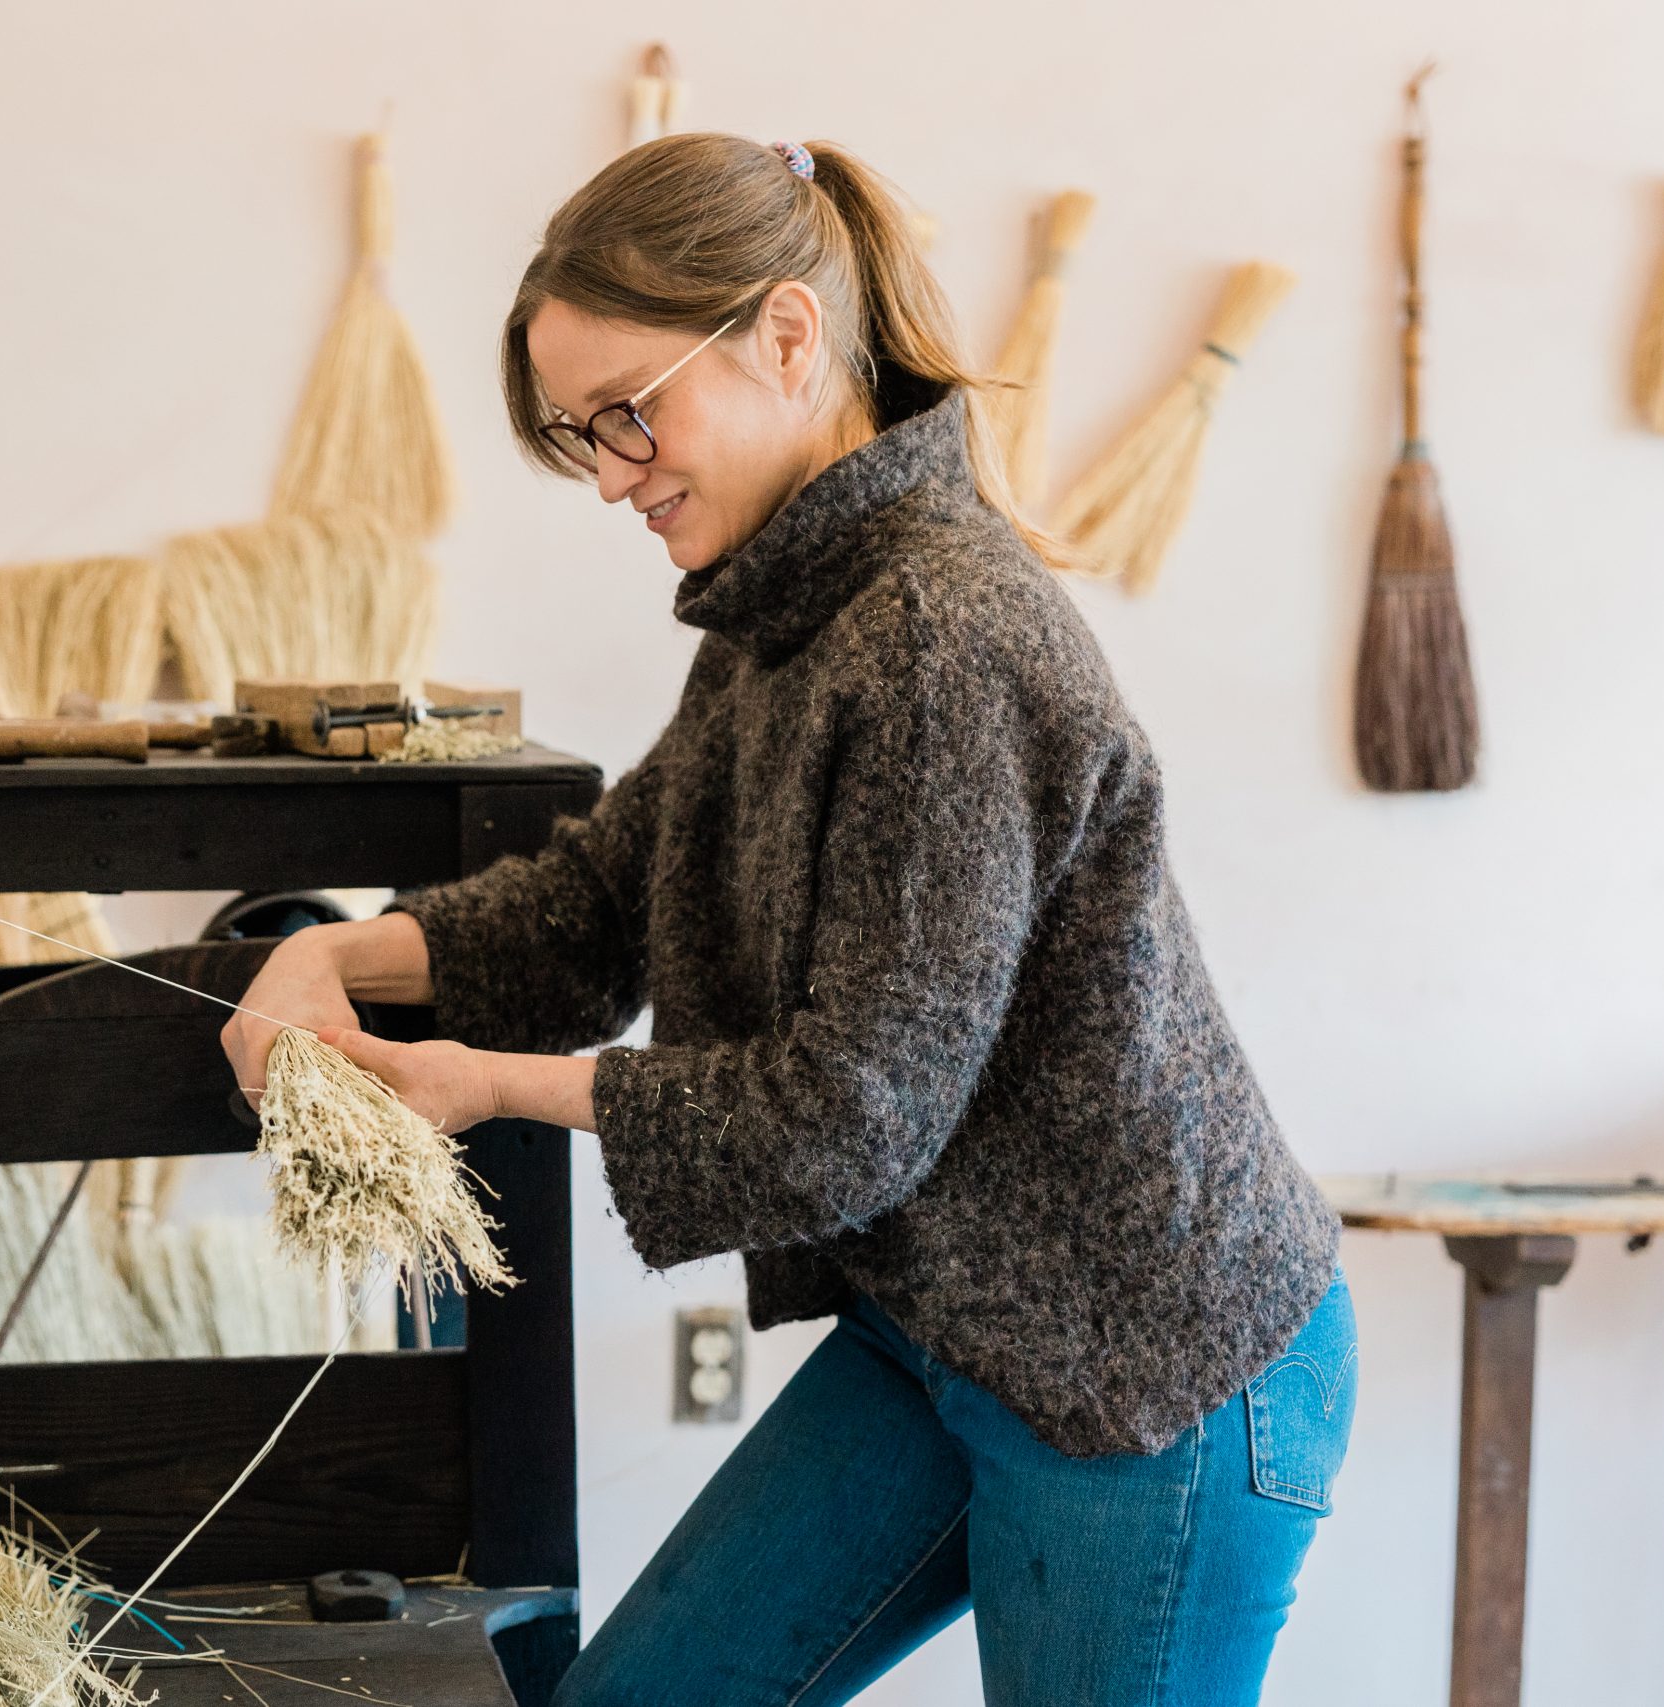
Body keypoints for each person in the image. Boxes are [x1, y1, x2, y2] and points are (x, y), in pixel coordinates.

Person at [220, 132, 1355, 1707]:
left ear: (788, 336)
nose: (611, 474)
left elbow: (846, 1118)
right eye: (581, 435)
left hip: (1145, 1365)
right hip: (946, 1323)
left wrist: (483, 1084)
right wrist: (326, 952)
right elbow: (598, 906)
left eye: (629, 413)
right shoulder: (782, 615)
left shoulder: (942, 633)